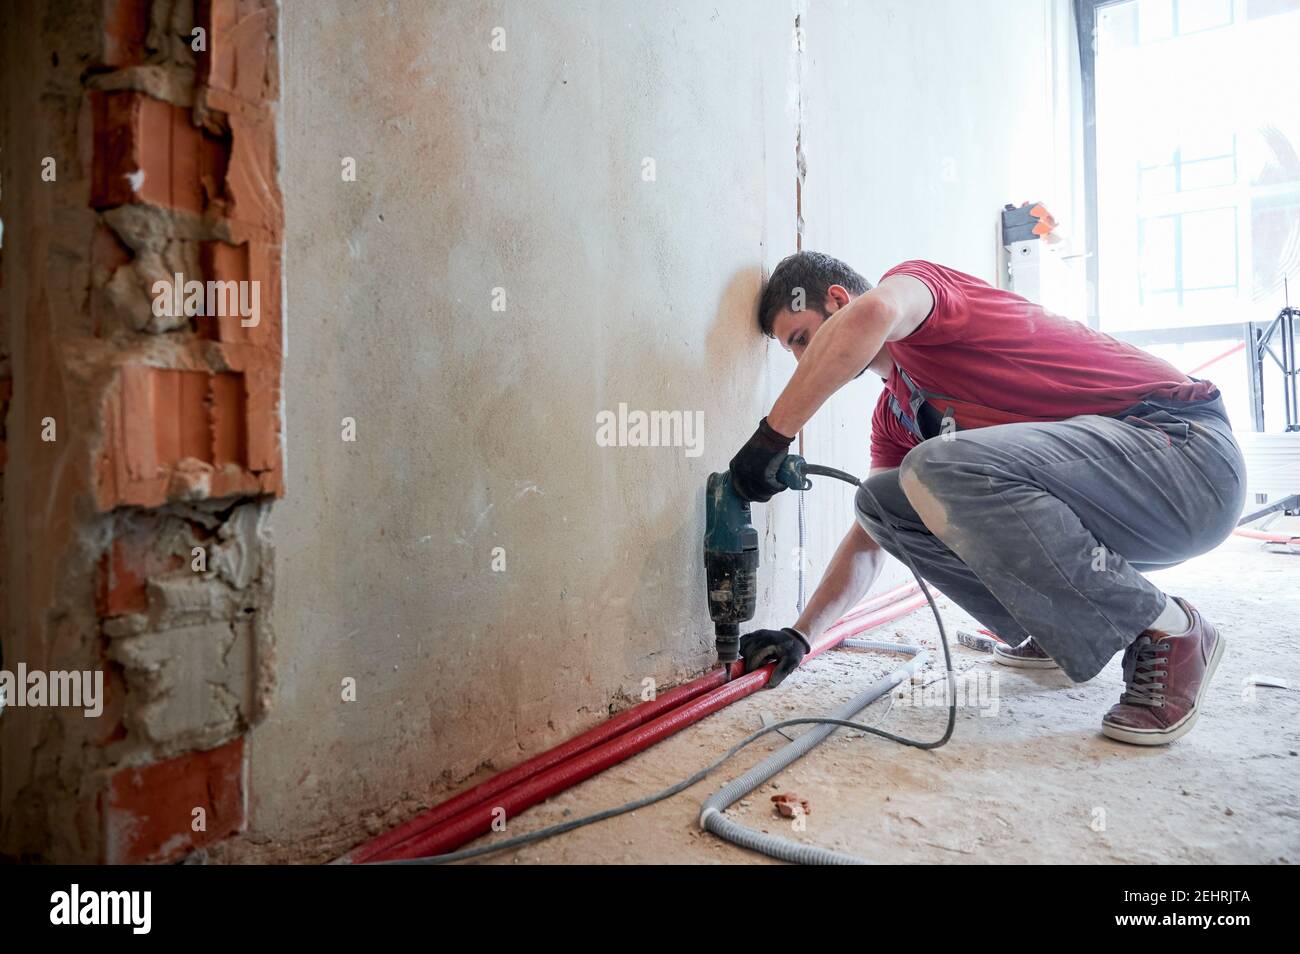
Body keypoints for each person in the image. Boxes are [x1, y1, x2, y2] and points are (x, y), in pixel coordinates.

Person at [727, 252, 1245, 746]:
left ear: (839, 301)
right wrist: (802, 635)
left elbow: (878, 311)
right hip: (1124, 510)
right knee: (879, 500)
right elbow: (870, 542)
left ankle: (1170, 629)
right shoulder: (895, 416)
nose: (800, 360)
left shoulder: (919, 293)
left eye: (800, 339)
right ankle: (1052, 622)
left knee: (937, 464)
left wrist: (773, 436)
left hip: (1185, 459)